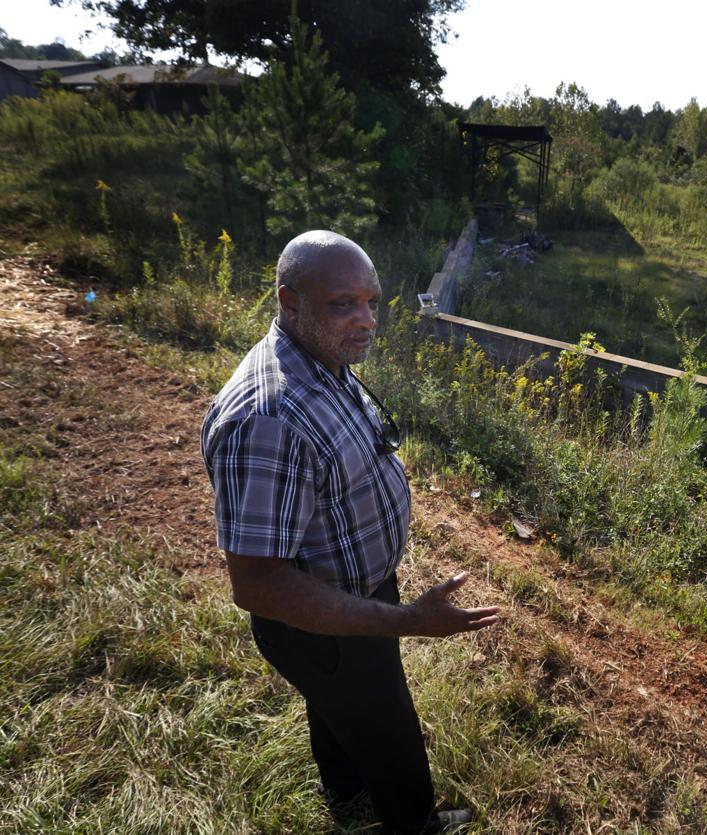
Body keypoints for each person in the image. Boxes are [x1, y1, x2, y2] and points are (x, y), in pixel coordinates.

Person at [201, 230, 500, 834]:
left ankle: (346, 791)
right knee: (387, 727)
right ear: (290, 301)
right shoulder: (269, 418)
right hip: (324, 624)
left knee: (340, 706)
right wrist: (409, 620)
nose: (366, 320)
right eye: (344, 304)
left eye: (371, 302)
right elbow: (258, 584)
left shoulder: (320, 358)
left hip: (347, 605)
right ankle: (412, 822)